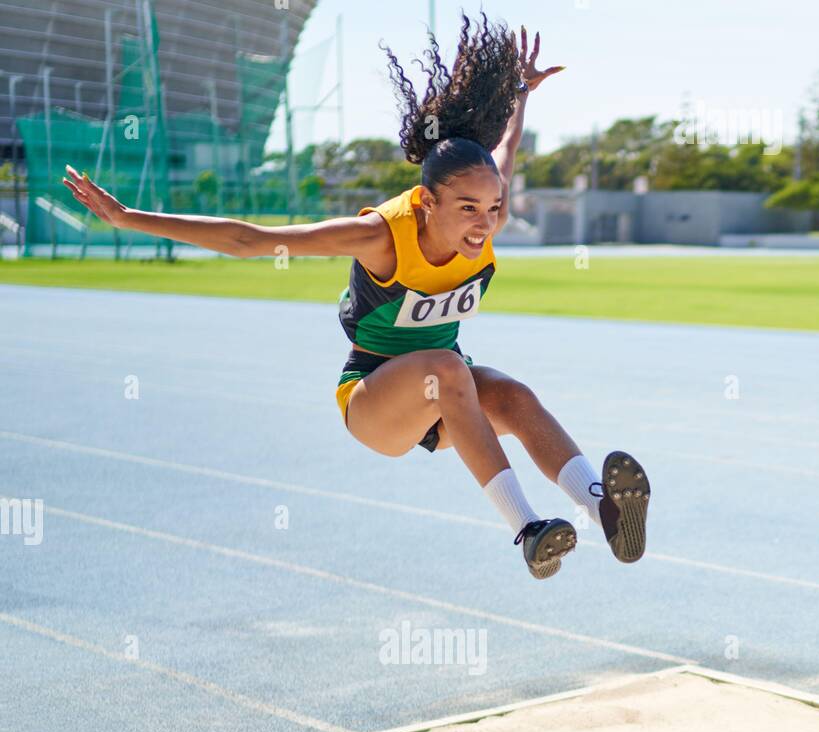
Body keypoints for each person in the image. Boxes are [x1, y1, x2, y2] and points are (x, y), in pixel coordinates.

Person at [63, 11, 650, 581]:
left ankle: (602, 507)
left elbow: (506, 149)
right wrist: (129, 217)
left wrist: (521, 94)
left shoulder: (484, 209)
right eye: (468, 209)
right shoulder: (382, 236)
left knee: (515, 396)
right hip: (373, 402)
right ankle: (529, 533)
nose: (484, 222)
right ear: (427, 204)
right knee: (449, 368)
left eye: (493, 207)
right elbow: (250, 239)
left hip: (446, 398)